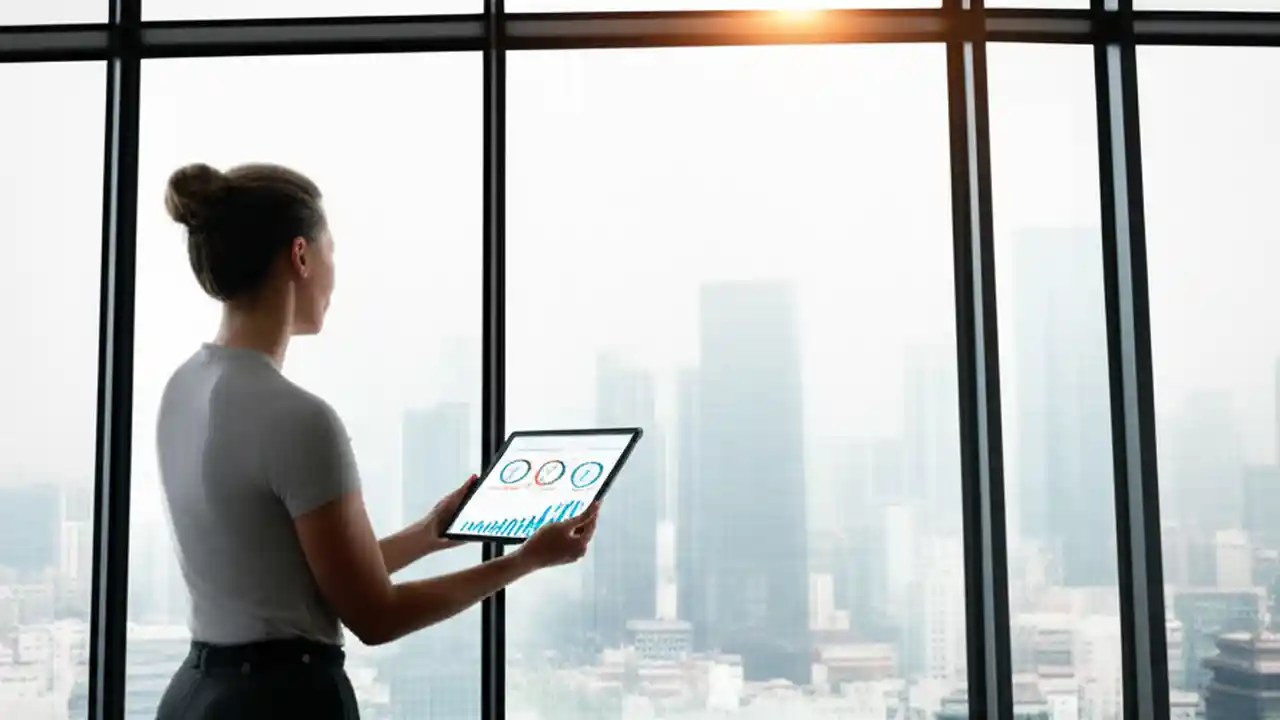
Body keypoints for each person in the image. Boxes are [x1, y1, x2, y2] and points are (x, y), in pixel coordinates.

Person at [153, 162, 598, 720]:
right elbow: (376, 617)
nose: (335, 274)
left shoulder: (182, 389)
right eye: (331, 250)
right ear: (301, 256)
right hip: (282, 702)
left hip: (196, 697)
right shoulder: (299, 419)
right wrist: (527, 561)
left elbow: (300, 581)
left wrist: (431, 532)